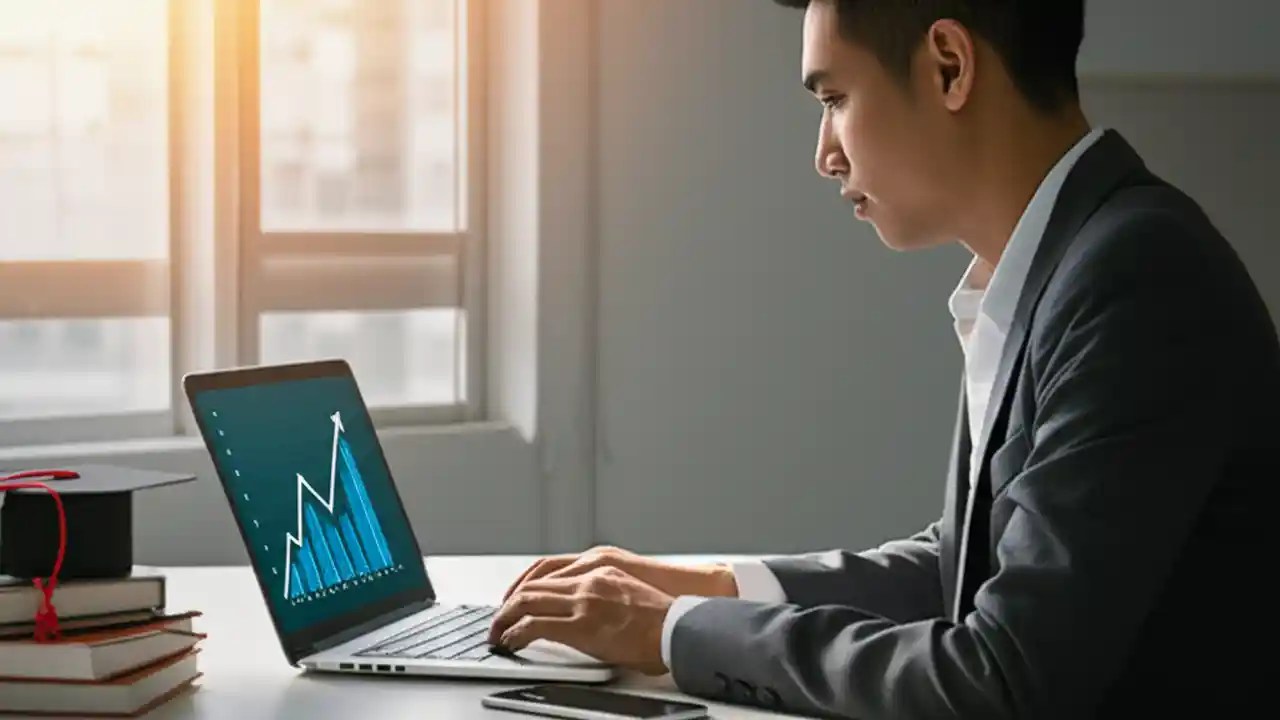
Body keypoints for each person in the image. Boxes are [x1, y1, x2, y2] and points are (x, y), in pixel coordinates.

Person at [489, 1, 1280, 717]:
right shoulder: (1072, 260)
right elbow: (962, 571)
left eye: (834, 99)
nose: (824, 154)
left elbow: (1004, 674)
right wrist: (707, 588)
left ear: (949, 66)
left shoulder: (1136, 276)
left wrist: (673, 632)